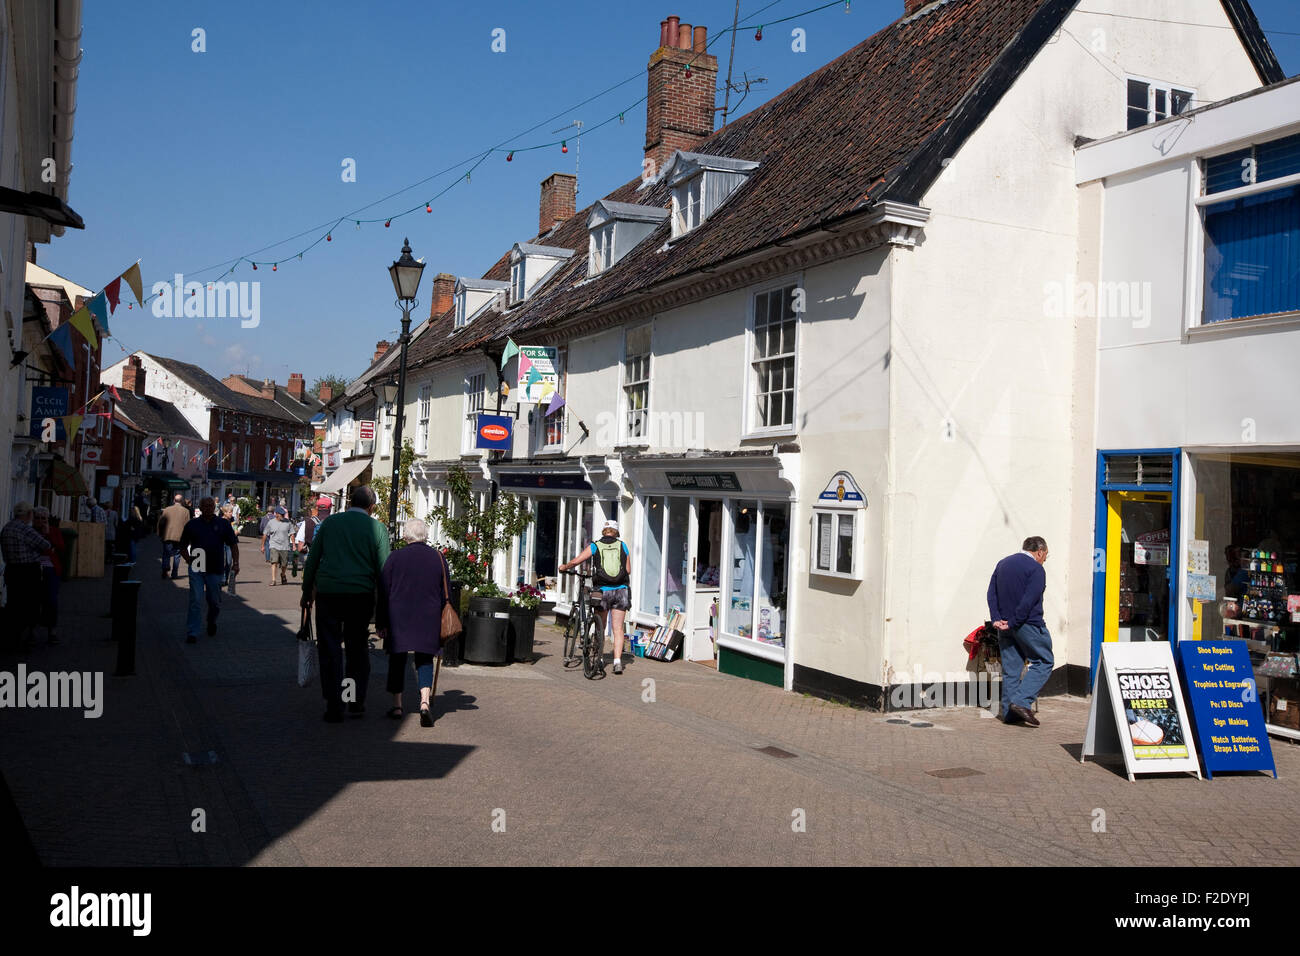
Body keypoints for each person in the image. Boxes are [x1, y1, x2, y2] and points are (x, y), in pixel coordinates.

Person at [301, 485, 390, 723]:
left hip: (329, 593)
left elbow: (312, 560)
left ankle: (334, 703)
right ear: (371, 507)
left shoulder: (330, 524)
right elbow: (384, 572)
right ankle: (353, 699)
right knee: (356, 649)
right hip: (359, 596)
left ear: (350, 502)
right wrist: (383, 609)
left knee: (330, 649)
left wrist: (306, 591)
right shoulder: (377, 528)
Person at [377, 518, 448, 727]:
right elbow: (447, 592)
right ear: (425, 535)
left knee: (397, 659)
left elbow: (383, 591)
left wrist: (381, 621)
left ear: (406, 535)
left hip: (398, 616)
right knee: (425, 658)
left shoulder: (395, 557)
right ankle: (424, 702)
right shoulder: (438, 558)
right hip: (429, 616)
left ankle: (398, 705)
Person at [987, 536, 1053, 727]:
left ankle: (1009, 714)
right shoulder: (1036, 569)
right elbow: (1029, 599)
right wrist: (1014, 621)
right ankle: (1022, 703)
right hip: (1027, 624)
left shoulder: (1003, 564)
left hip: (1004, 625)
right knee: (1044, 661)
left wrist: (997, 619)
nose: (1045, 559)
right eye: (1046, 555)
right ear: (1039, 552)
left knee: (1011, 670)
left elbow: (991, 593)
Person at [558, 517, 631, 675]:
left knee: (600, 627)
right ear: (616, 531)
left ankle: (600, 658)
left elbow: (576, 561)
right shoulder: (623, 545)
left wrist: (564, 567)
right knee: (618, 629)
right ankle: (618, 662)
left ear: (604, 531)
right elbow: (628, 570)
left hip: (602, 590)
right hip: (621, 591)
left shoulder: (595, 545)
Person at [178, 497, 240, 644]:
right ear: (200, 507)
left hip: (215, 566)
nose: (207, 508)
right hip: (197, 566)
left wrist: (236, 563)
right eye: (204, 505)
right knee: (196, 599)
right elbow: (182, 545)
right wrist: (188, 559)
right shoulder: (192, 524)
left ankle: (211, 620)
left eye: (210, 505)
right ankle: (192, 631)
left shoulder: (223, 524)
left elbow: (233, 545)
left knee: (214, 601)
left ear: (214, 507)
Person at [2, 502, 53, 650]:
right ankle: (24, 638)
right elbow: (45, 545)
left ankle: (11, 637)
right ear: (28, 515)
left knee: (13, 603)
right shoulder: (25, 529)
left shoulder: (7, 528)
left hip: (11, 570)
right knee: (29, 604)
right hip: (28, 571)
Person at [31, 508, 65, 645]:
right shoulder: (30, 531)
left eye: (43, 519)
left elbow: (61, 548)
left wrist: (48, 535)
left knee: (51, 600)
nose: (40, 521)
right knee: (33, 599)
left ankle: (52, 630)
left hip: (50, 567)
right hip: (33, 567)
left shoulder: (54, 531)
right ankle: (31, 630)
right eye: (37, 518)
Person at [157, 493, 190, 579]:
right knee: (177, 555)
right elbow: (187, 526)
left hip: (168, 535)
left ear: (174, 501)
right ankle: (174, 573)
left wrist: (160, 533)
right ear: (182, 501)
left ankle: (165, 568)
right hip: (180, 536)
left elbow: (161, 522)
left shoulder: (167, 509)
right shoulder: (186, 511)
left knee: (166, 553)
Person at [262, 506, 295, 586]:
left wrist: (293, 545)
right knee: (274, 562)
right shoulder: (271, 522)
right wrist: (262, 545)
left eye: (284, 515)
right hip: (274, 545)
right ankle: (273, 580)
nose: (283, 516)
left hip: (285, 546)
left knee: (284, 564)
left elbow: (292, 534)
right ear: (276, 514)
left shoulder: (288, 522)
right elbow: (265, 534)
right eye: (281, 515)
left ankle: (283, 575)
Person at [294, 501, 321, 577]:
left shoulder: (307, 522)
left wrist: (296, 555)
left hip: (310, 554)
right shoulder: (331, 520)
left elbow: (300, 541)